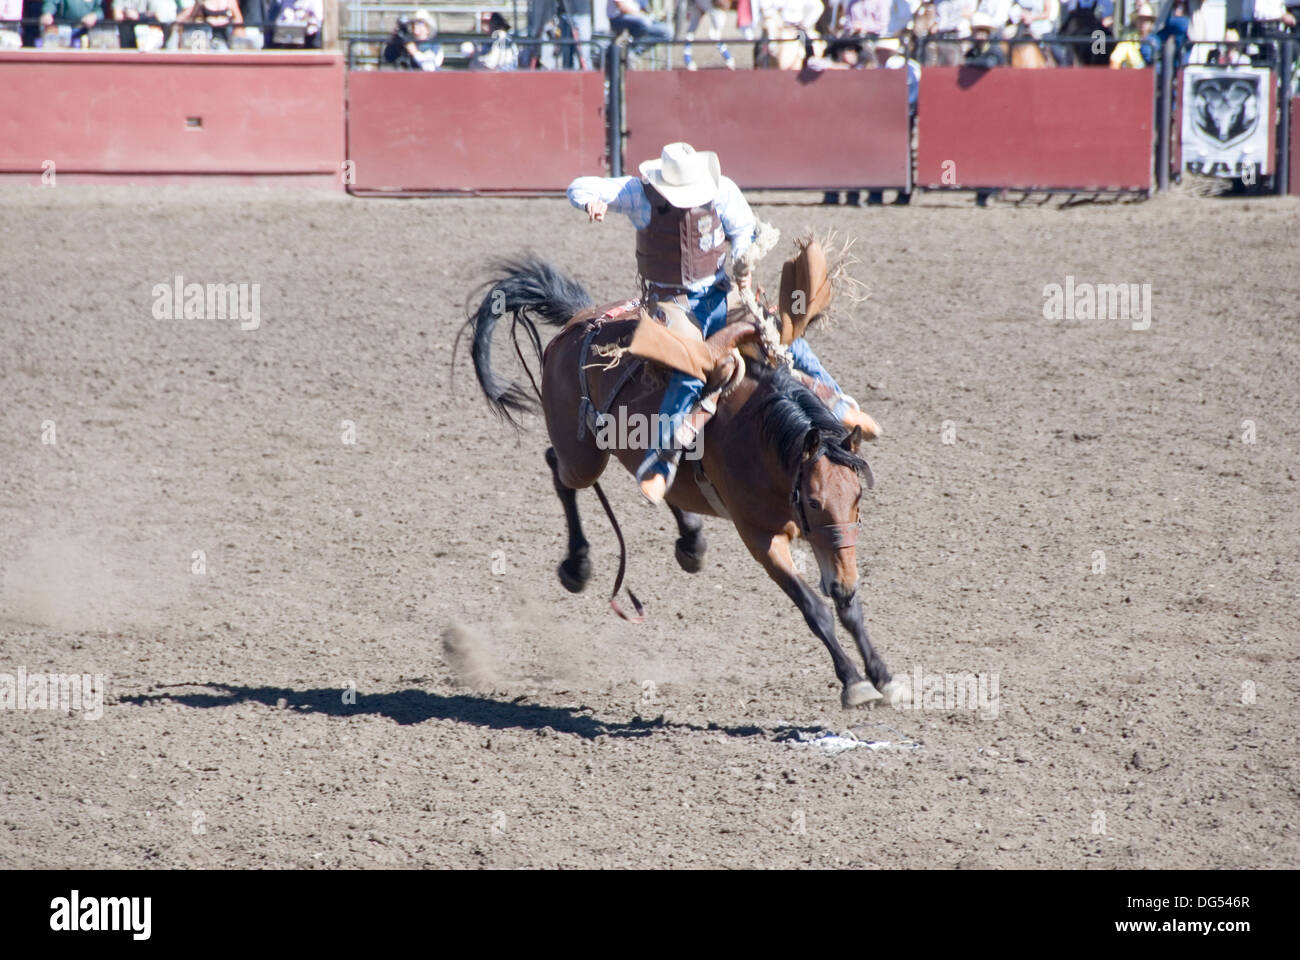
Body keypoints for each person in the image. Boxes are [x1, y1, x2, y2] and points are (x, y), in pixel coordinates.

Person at [567, 142, 874, 504]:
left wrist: (744, 259)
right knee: (689, 367)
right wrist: (591, 202)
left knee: (780, 337)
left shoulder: (721, 191)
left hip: (720, 292)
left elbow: (744, 229)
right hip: (671, 302)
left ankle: (838, 403)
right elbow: (578, 187)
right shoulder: (638, 193)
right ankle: (659, 462)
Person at [607, 0, 672, 55]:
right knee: (644, 22)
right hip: (619, 19)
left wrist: (651, 15)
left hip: (640, 20)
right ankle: (625, 52)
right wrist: (640, 15)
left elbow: (643, 8)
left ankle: (632, 53)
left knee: (666, 32)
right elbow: (621, 6)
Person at [1109, 1, 1156, 68]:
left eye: (1147, 20)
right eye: (1141, 19)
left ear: (1151, 23)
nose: (1143, 23)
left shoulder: (1156, 40)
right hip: (1134, 76)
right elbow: (1115, 59)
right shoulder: (1129, 39)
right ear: (1136, 21)